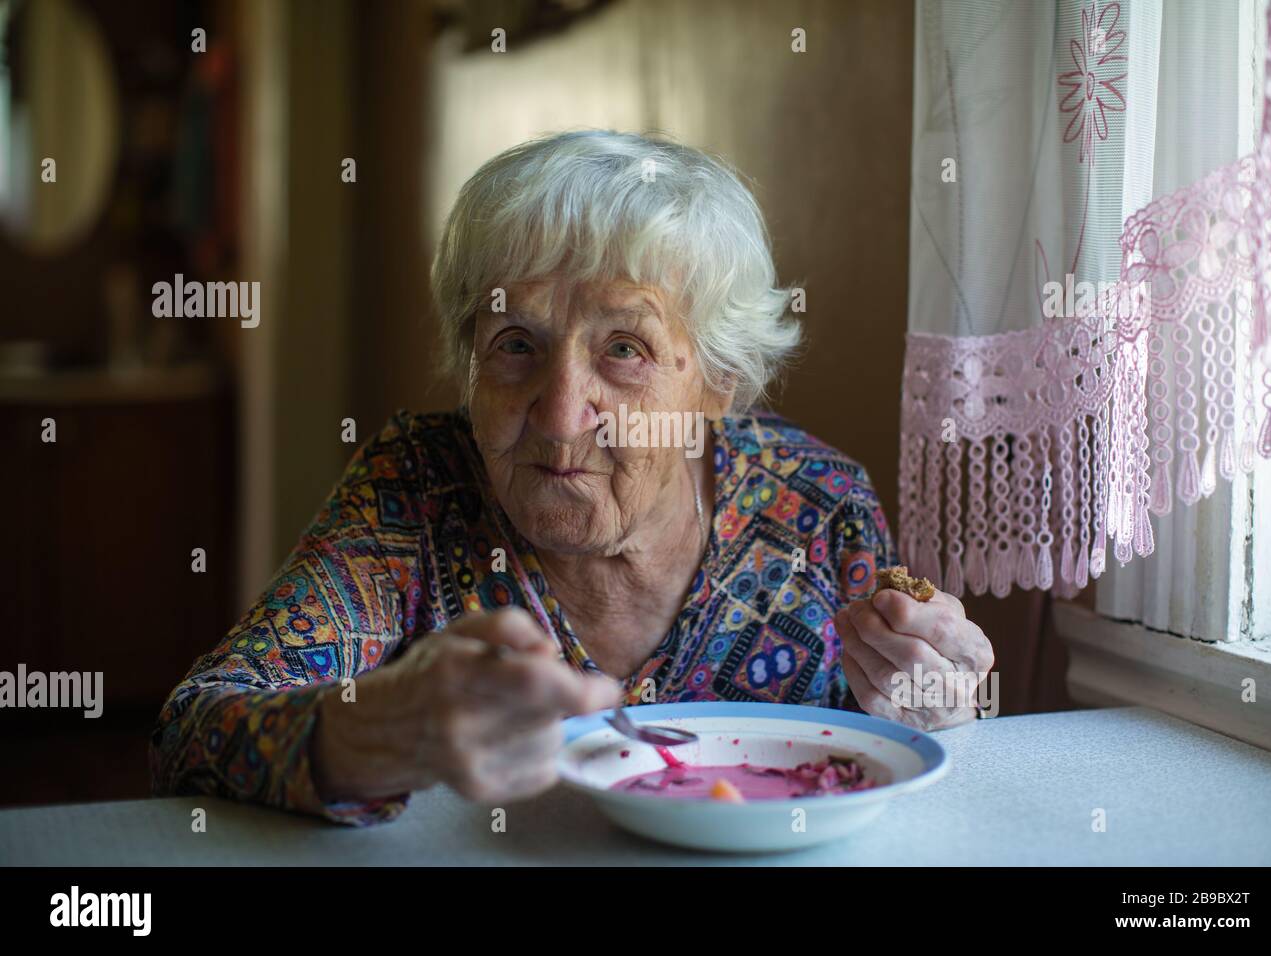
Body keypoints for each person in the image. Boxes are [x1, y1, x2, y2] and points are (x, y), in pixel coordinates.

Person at [149, 130, 994, 825]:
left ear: (719, 383)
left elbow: (908, 769)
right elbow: (193, 729)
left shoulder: (820, 503)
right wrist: (375, 733)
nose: (558, 415)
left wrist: (942, 712)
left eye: (624, 349)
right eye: (516, 343)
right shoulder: (418, 487)